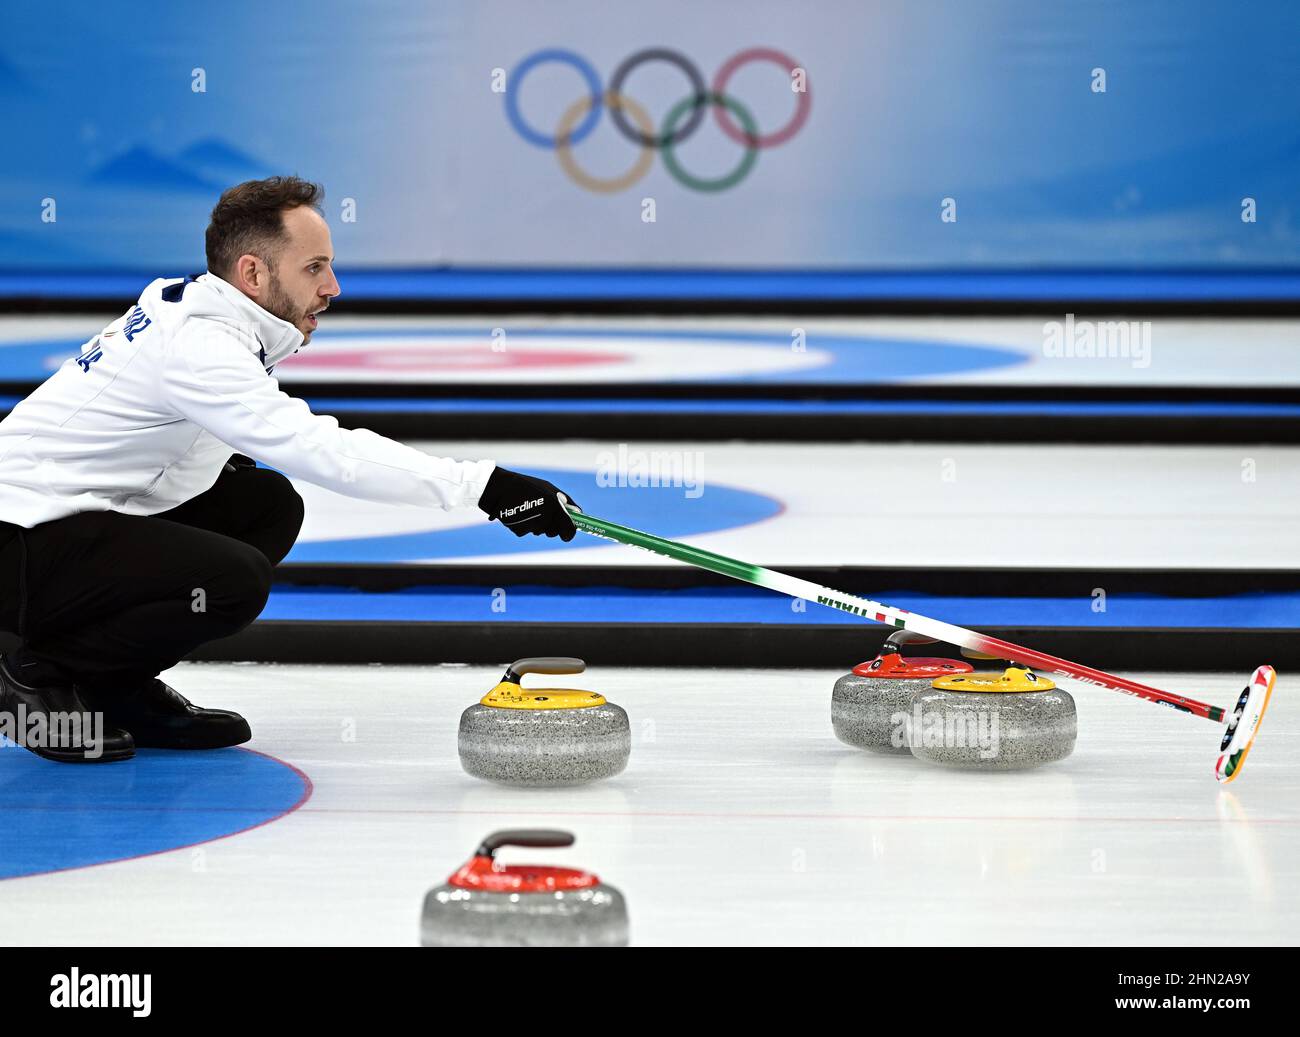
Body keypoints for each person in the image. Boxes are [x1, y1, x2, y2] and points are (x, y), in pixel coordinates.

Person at [0, 176, 579, 764]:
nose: (333, 287)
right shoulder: (201, 346)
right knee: (233, 579)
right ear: (252, 274)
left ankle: (111, 687)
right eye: (314, 268)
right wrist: (483, 486)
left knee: (263, 504)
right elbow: (317, 447)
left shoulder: (207, 314)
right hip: (17, 542)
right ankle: (29, 672)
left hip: (52, 524)